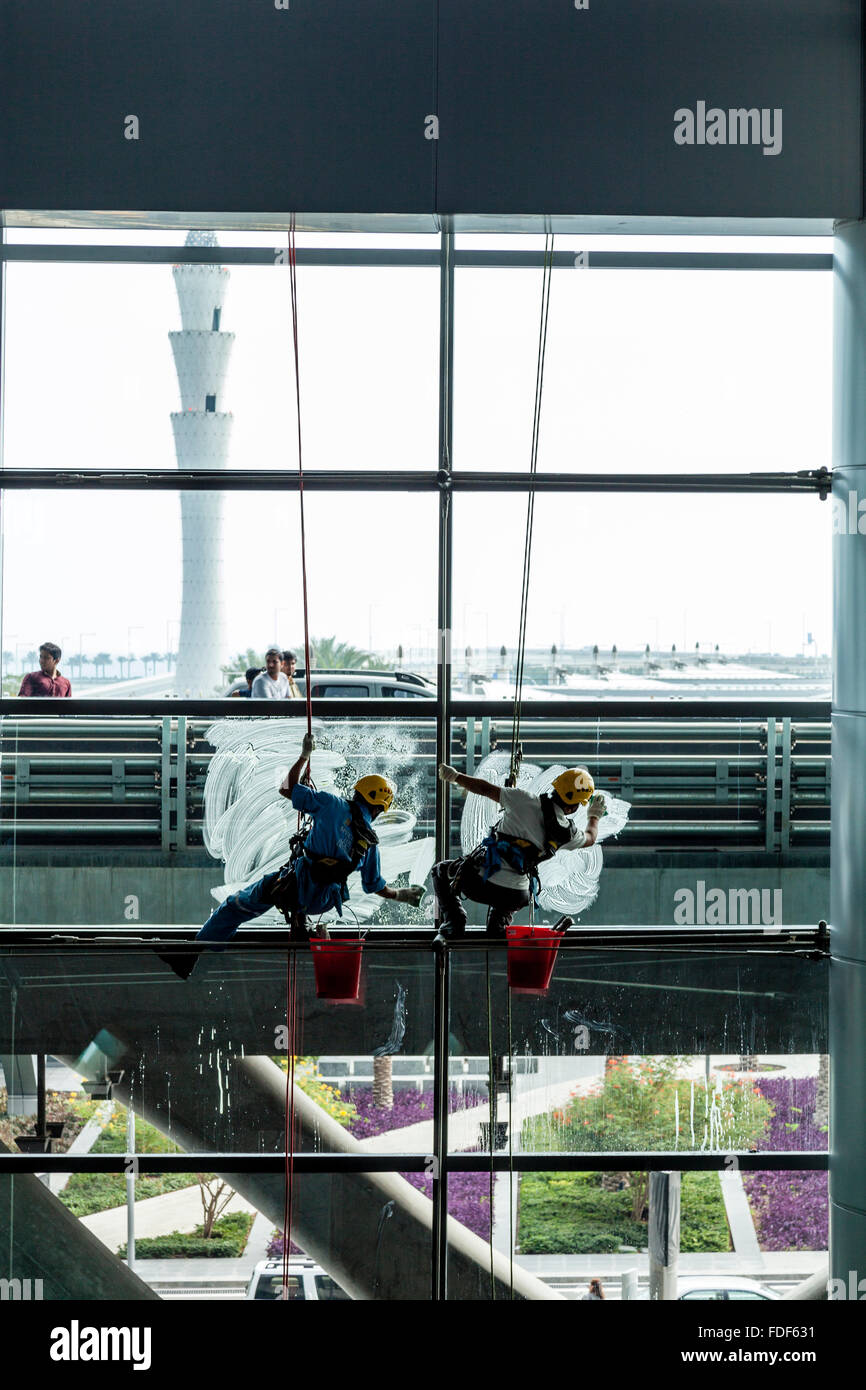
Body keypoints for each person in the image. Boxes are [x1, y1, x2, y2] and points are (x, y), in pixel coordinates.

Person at [160, 733, 424, 979]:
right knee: (294, 886)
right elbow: (374, 886)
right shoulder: (370, 842)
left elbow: (287, 789)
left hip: (294, 888)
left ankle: (190, 956)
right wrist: (403, 895)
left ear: (357, 792)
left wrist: (304, 756)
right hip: (323, 901)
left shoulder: (332, 804)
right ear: (380, 808)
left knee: (235, 905)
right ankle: (300, 923)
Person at [431, 765, 608, 942]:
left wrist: (455, 776)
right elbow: (590, 837)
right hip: (515, 895)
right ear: (572, 808)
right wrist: (594, 815)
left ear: (555, 789)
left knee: (440, 871)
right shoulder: (568, 833)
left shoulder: (523, 799)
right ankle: (497, 928)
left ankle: (454, 922)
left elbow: (484, 789)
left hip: (481, 884)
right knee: (505, 905)